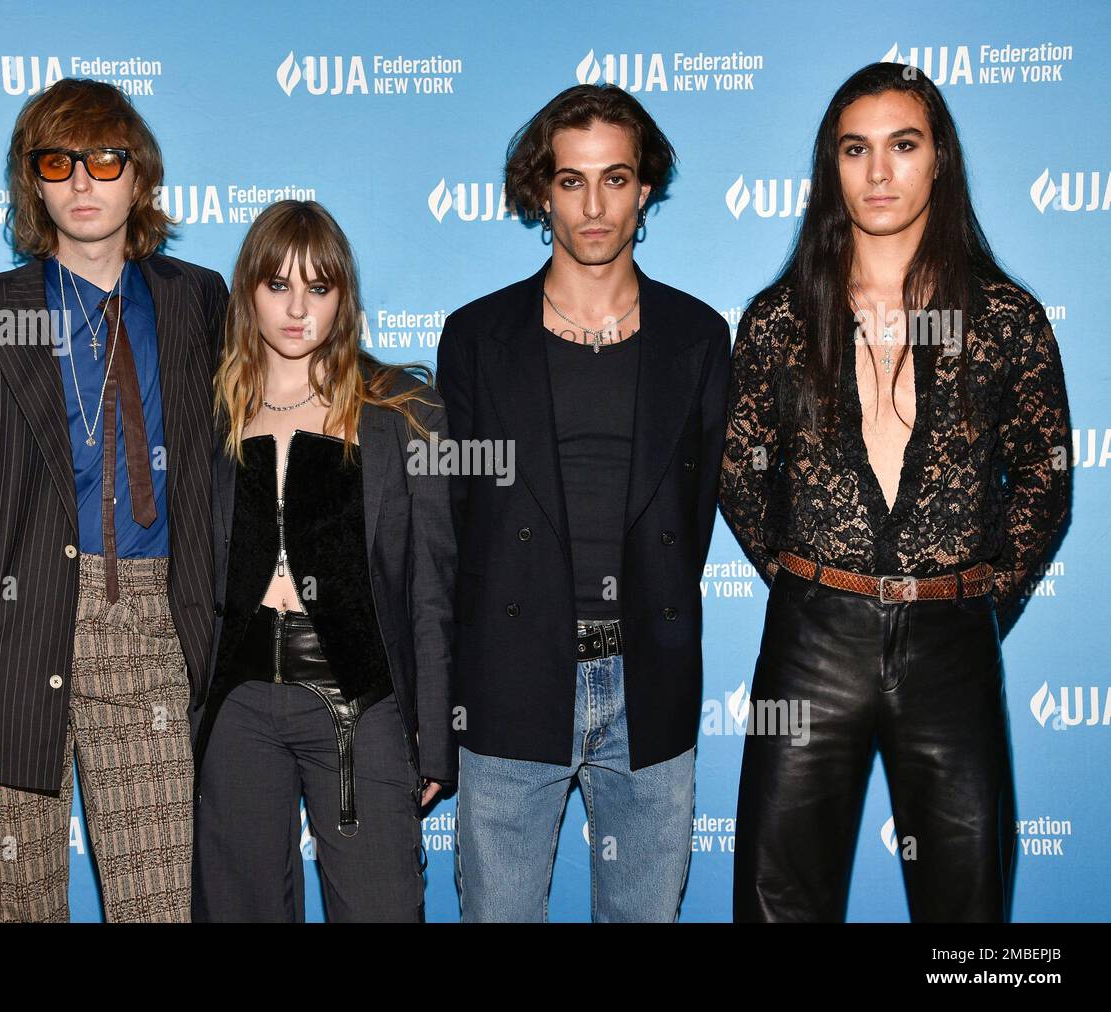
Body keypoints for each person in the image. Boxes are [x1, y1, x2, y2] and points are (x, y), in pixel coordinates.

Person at [719, 61, 1072, 922]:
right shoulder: (777, 318)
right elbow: (740, 470)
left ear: (939, 158)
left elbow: (1044, 477)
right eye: (855, 149)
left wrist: (979, 597)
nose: (878, 173)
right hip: (811, 648)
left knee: (967, 914)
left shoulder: (1004, 318)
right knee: (777, 902)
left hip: (952, 648)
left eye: (902, 145)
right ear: (830, 167)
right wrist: (809, 583)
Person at [0, 78, 227, 921]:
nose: (83, 182)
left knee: (161, 910)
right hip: (8, 645)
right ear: (33, 182)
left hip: (154, 636)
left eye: (105, 160)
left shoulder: (201, 303)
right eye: (58, 162)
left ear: (140, 177)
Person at [436, 83, 730, 922]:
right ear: (541, 191)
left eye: (615, 179)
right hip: (508, 675)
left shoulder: (699, 338)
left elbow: (696, 507)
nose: (594, 206)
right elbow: (454, 522)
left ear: (645, 190)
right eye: (571, 181)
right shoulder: (475, 336)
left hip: (651, 681)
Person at [190, 199, 456, 922]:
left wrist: (435, 727)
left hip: (360, 698)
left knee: (381, 906)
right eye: (278, 285)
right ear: (250, 293)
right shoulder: (215, 410)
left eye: (318, 287)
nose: (297, 308)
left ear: (345, 297)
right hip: (239, 700)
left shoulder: (403, 409)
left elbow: (431, 586)